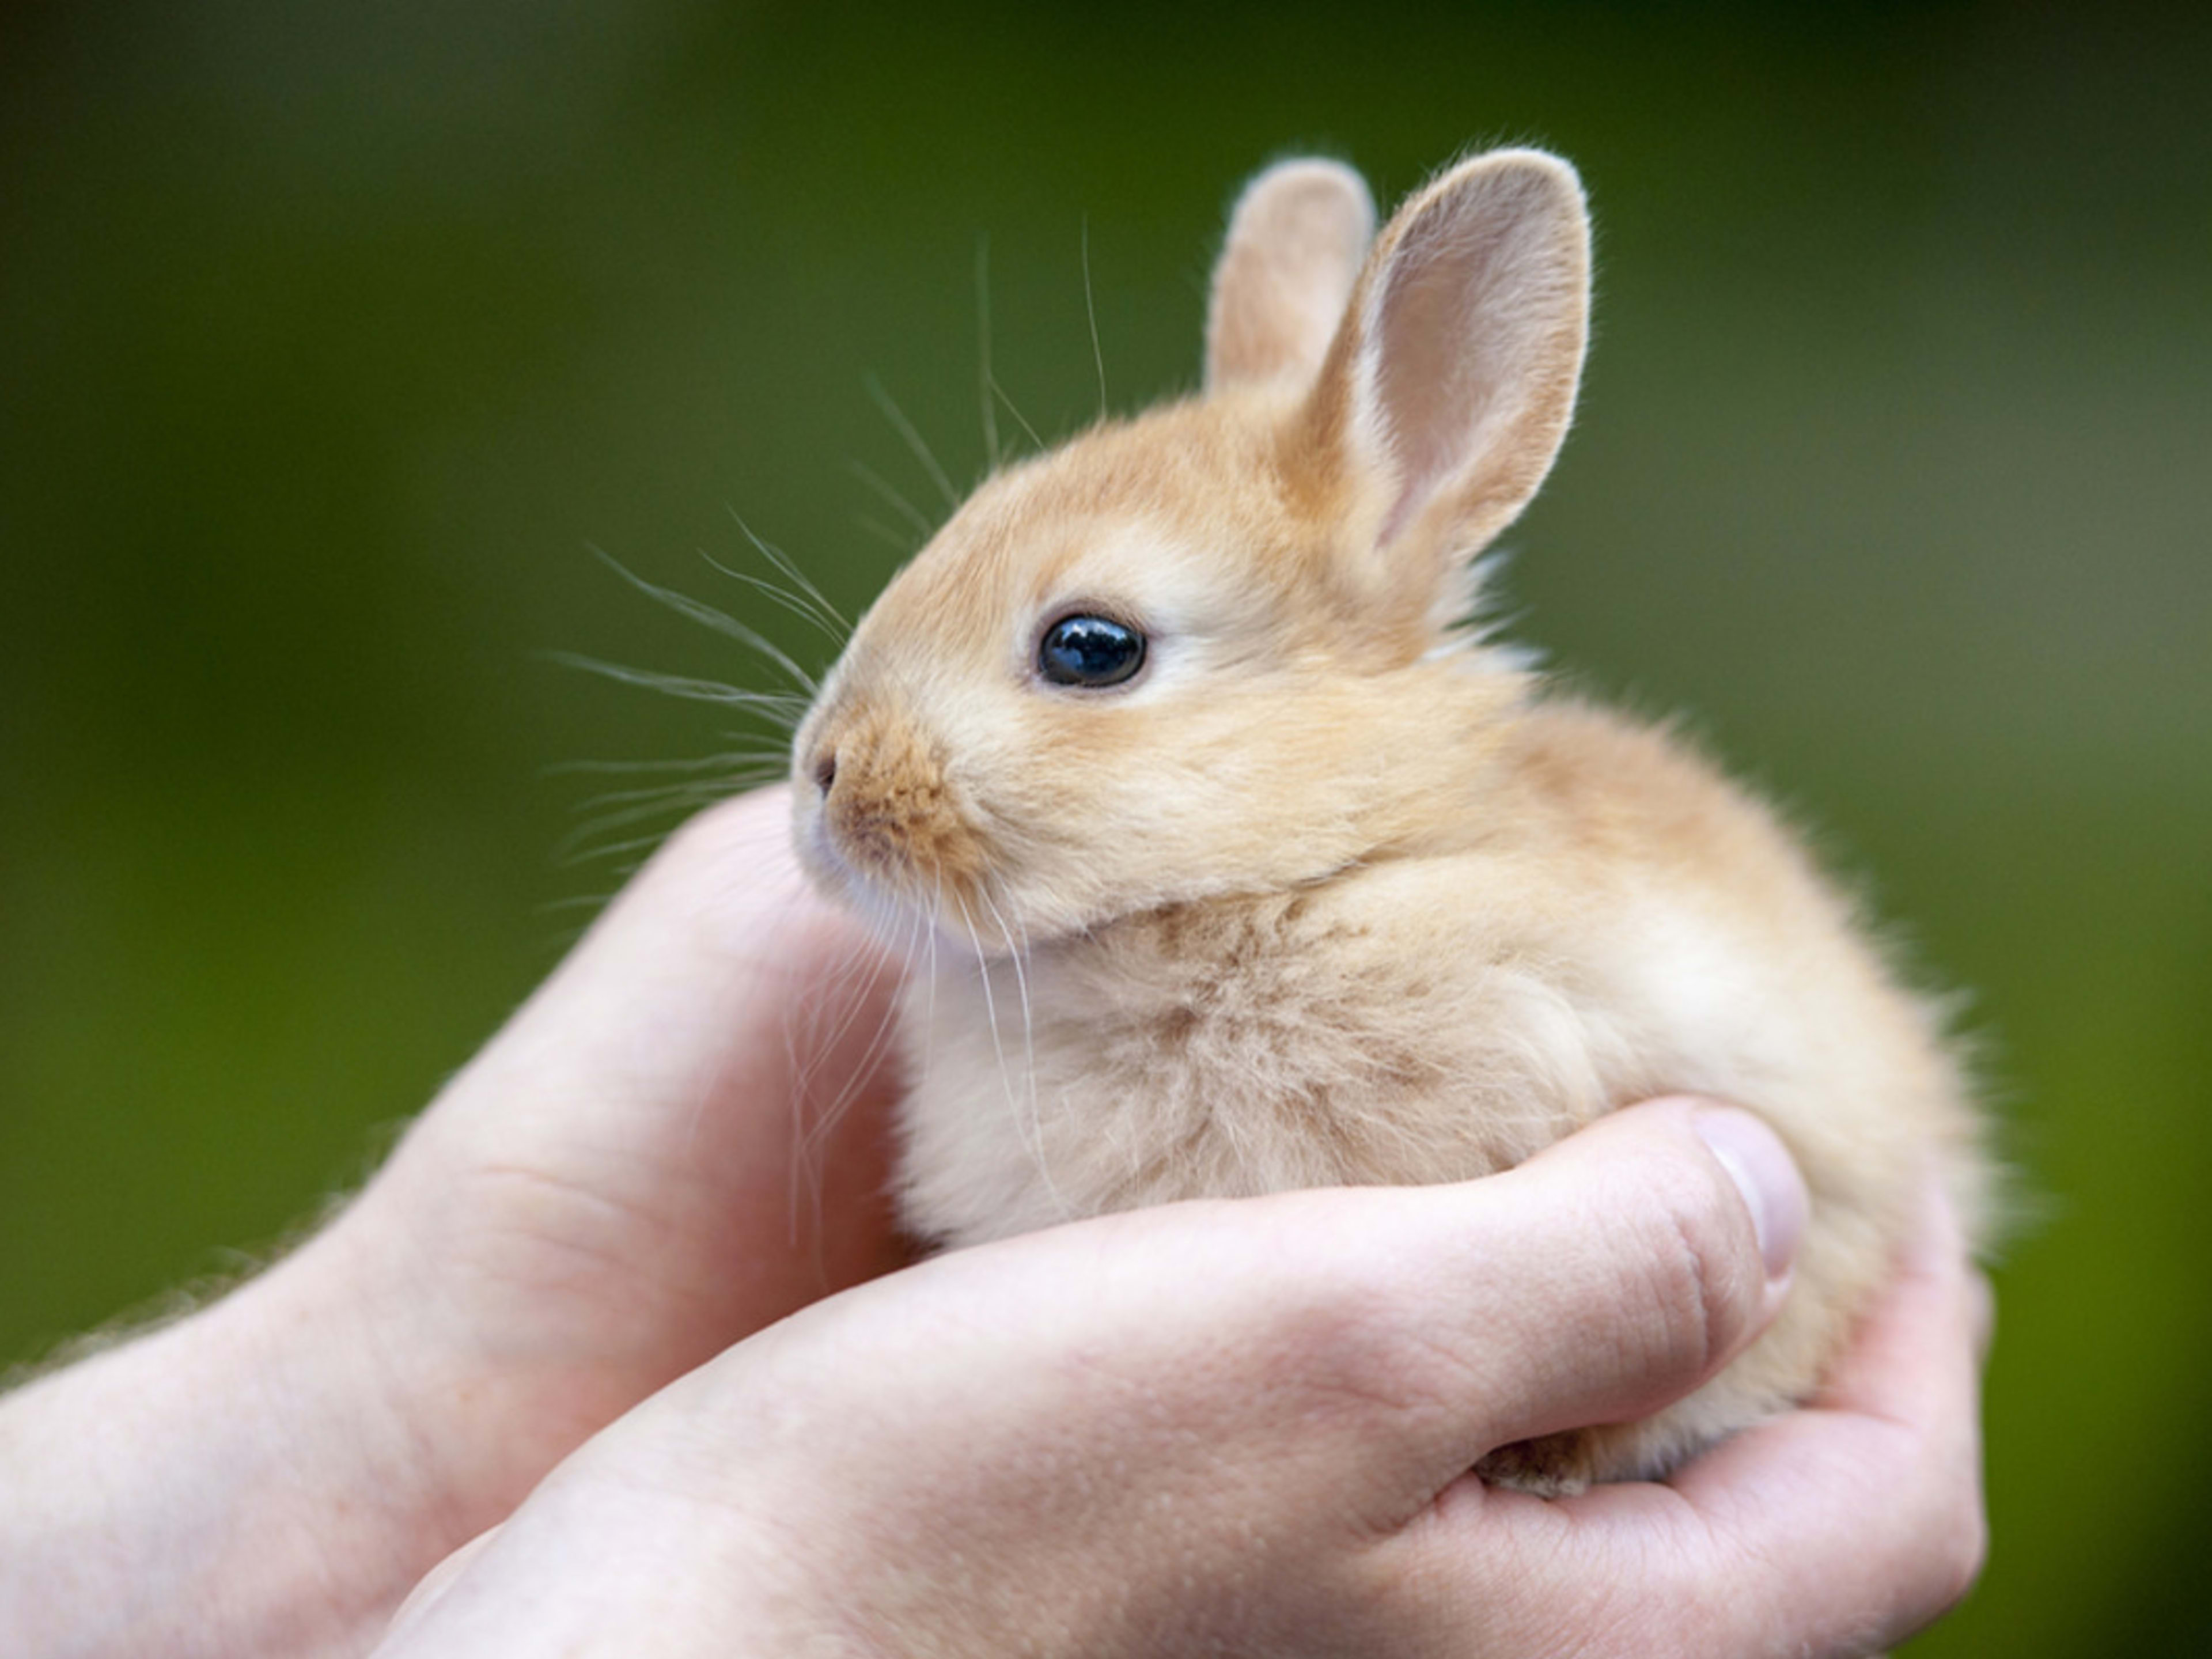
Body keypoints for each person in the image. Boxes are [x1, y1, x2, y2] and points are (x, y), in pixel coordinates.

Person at [0, 788, 1988, 1657]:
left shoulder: (1468, 944)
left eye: (1091, 657)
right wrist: (802, 1605)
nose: (837, 772)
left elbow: (1842, 1143)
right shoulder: (983, 1011)